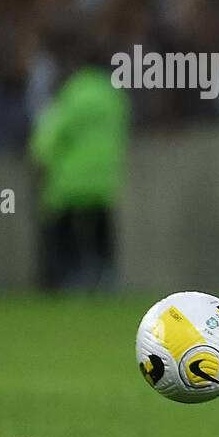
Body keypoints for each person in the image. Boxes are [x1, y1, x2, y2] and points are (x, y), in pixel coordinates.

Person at [28, 37, 130, 291]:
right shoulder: (114, 96)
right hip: (103, 181)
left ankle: (68, 282)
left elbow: (53, 131)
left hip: (69, 181)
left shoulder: (72, 92)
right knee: (100, 234)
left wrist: (38, 156)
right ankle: (105, 279)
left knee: (66, 236)